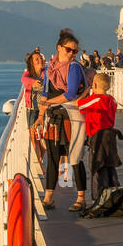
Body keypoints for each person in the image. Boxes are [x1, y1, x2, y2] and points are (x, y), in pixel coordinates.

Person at [36, 29, 92, 212]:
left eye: (75, 51)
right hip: (54, 117)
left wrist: (48, 102)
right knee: (52, 157)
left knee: (75, 157)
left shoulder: (74, 68)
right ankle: (49, 197)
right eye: (69, 50)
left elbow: (69, 94)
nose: (72, 54)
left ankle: (81, 197)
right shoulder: (50, 69)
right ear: (59, 48)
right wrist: (40, 115)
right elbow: (45, 92)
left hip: (72, 117)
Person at [75, 73, 120, 200]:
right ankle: (113, 192)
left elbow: (79, 105)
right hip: (110, 135)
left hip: (98, 136)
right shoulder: (111, 99)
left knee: (96, 165)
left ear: (94, 85)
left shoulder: (97, 99)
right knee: (109, 165)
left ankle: (98, 196)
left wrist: (85, 93)